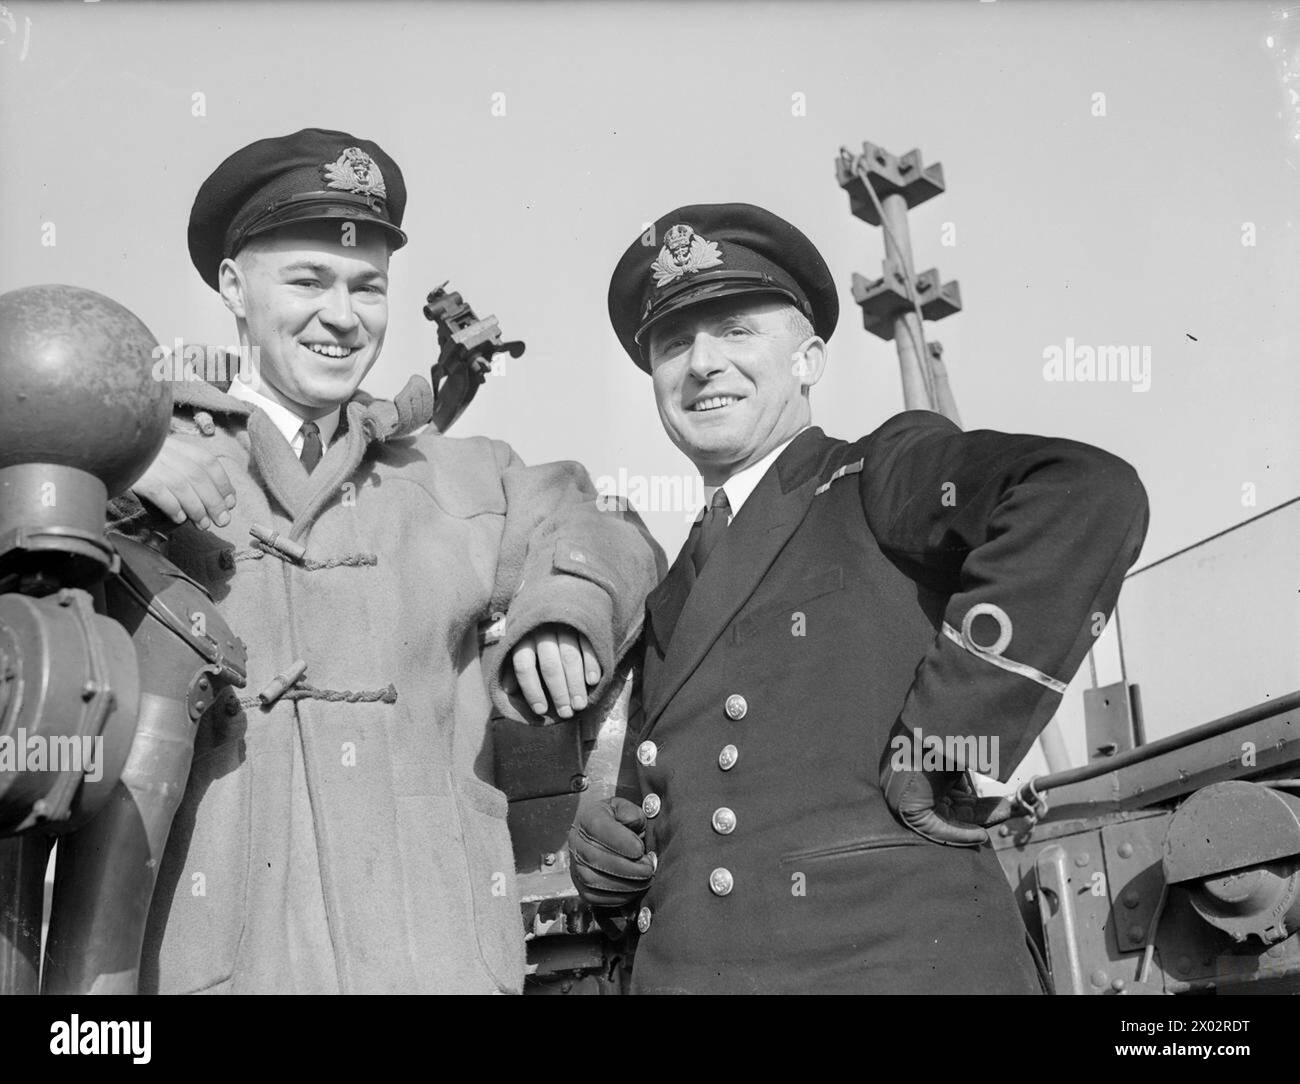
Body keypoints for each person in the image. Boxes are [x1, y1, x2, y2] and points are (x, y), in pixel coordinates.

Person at [108, 128, 662, 994]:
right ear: (231, 287)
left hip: (443, 968)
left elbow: (599, 519)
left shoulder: (454, 474)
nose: (342, 315)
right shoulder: (146, 463)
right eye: (307, 280)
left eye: (368, 287)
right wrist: (107, 465)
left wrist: (566, 615)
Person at [568, 202, 1150, 994]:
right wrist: (614, 854)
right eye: (674, 343)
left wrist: (947, 741)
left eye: (736, 331)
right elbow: (682, 804)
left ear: (808, 360)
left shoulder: (874, 476)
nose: (701, 362)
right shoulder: (672, 589)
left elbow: (1082, 495)